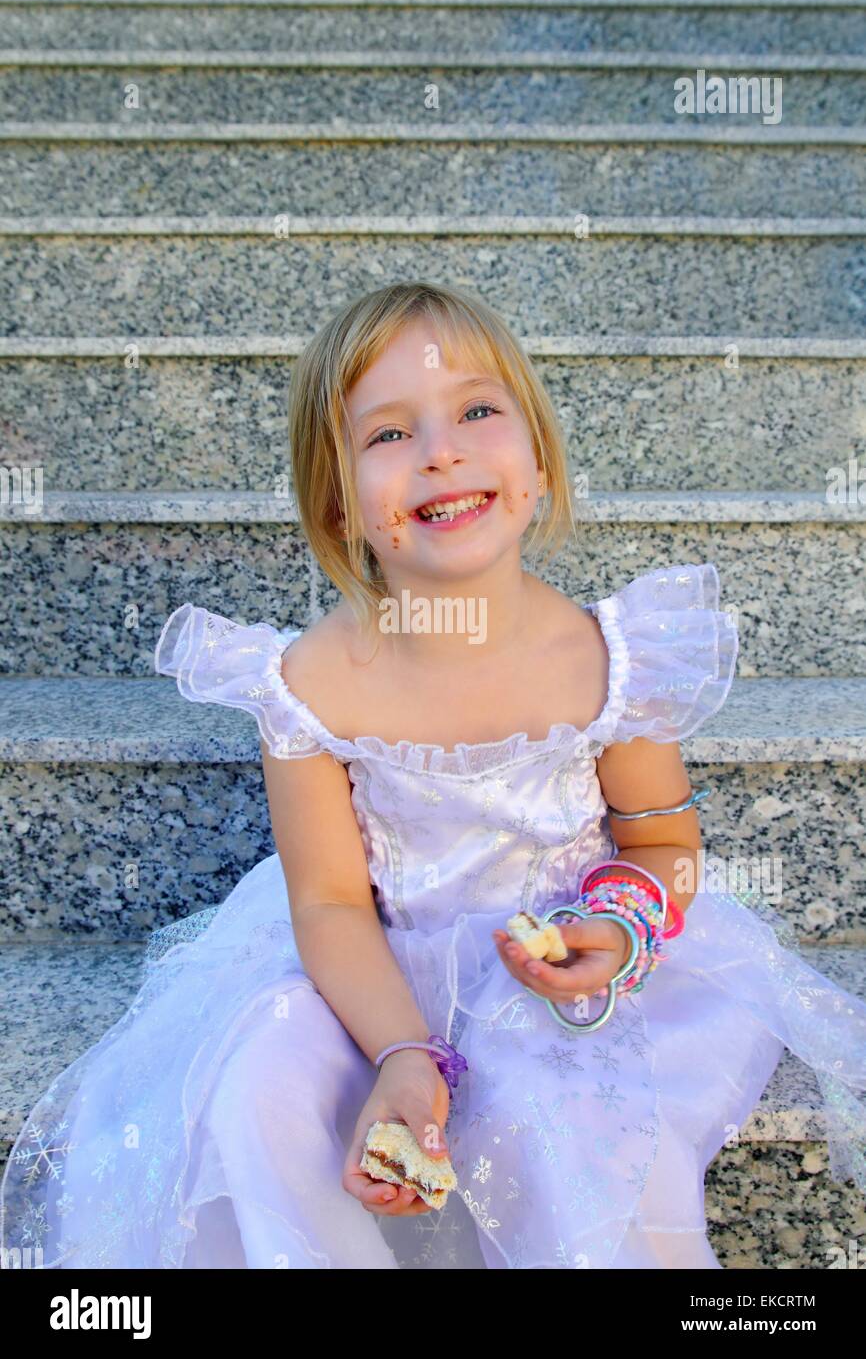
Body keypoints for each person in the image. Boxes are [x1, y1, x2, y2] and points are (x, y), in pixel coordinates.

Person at [3, 281, 865, 1270]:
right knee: (254, 1090)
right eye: (387, 435)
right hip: (363, 968)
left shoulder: (613, 660)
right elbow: (327, 904)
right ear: (340, 503)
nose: (439, 451)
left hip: (549, 967)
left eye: (476, 411)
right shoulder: (305, 687)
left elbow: (662, 845)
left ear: (536, 464)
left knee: (572, 1120)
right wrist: (406, 1054)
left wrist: (618, 929)